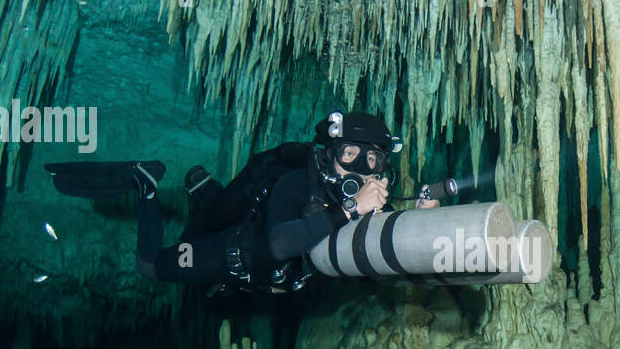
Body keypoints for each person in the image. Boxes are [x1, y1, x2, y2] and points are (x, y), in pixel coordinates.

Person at [46, 111, 438, 293]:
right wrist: (350, 209)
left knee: (201, 224)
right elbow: (281, 244)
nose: (362, 168)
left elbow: (389, 257)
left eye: (374, 160)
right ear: (332, 151)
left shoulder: (370, 202)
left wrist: (418, 222)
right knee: (150, 268)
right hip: (229, 255)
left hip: (262, 279)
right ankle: (145, 185)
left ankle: (206, 197)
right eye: (351, 153)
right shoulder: (297, 184)